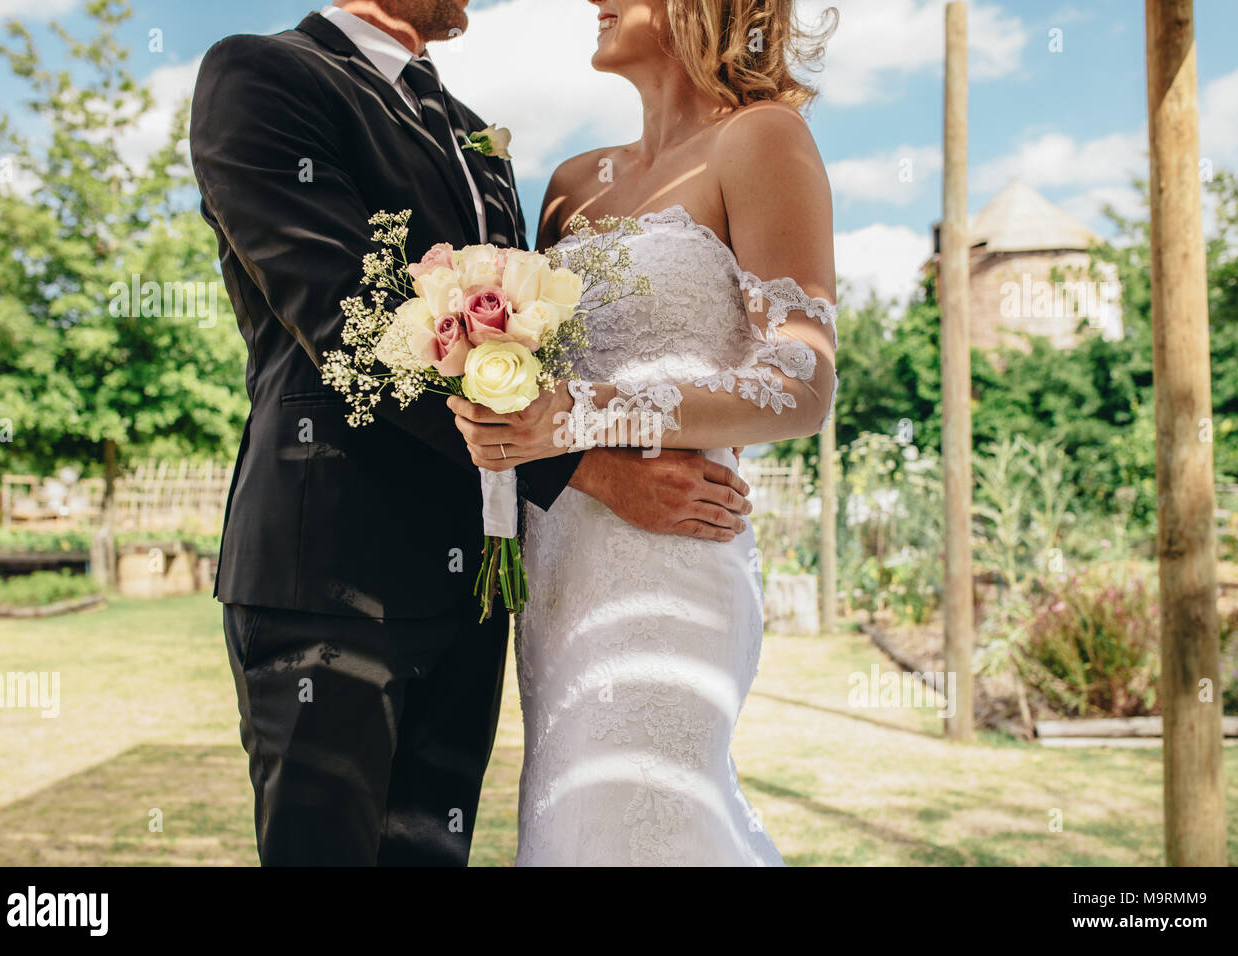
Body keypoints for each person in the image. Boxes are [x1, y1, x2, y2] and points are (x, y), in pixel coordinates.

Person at [189, 0, 753, 866]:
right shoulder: (261, 75)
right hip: (329, 581)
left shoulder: (468, 132)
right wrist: (589, 472)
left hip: (474, 594)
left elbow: (528, 346)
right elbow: (351, 322)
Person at [448, 0, 840, 865]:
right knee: (570, 813)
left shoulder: (761, 138)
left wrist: (580, 415)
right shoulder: (567, 183)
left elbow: (802, 381)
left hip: (673, 551)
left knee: (639, 809)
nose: (594, 0)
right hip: (559, 563)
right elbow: (536, 377)